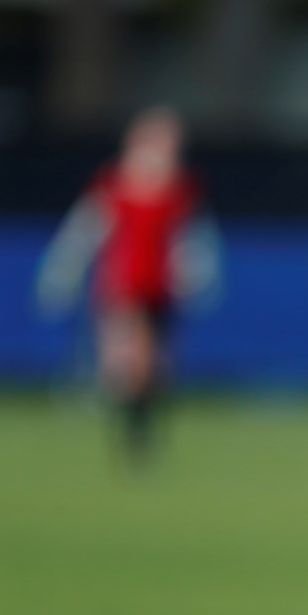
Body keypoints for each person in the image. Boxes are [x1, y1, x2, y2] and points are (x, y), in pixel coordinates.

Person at [36, 105, 221, 463]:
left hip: (160, 290)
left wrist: (196, 275)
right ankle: (128, 429)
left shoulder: (180, 190)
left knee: (155, 368)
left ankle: (140, 426)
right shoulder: (114, 184)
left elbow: (192, 239)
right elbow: (85, 231)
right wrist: (62, 274)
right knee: (129, 361)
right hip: (121, 287)